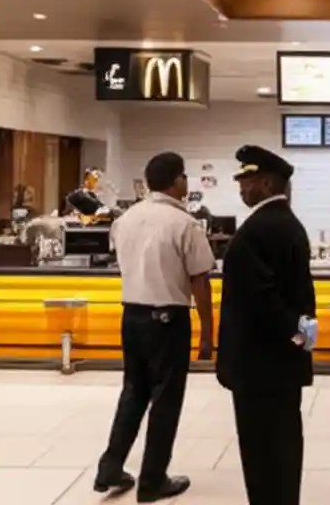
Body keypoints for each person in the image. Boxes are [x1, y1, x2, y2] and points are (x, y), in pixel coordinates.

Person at [94, 152, 215, 503]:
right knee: (165, 400)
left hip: (131, 316)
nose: (186, 183)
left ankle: (111, 467)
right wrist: (207, 334)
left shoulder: (127, 219)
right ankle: (152, 479)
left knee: (133, 392)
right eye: (185, 177)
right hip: (167, 320)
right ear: (177, 181)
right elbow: (200, 282)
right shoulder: (184, 224)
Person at [217, 145, 317, 505]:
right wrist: (302, 339)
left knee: (263, 455)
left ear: (267, 182)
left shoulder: (258, 230)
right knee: (283, 447)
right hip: (281, 364)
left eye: (248, 181)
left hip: (260, 366)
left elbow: (261, 301)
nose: (242, 188)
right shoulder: (287, 223)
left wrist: (294, 334)